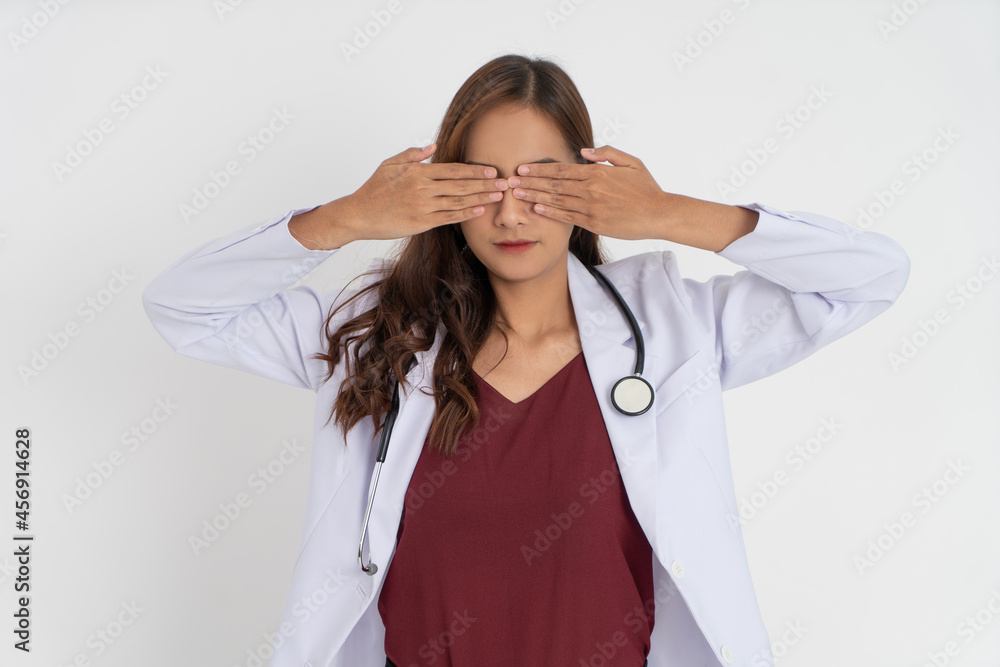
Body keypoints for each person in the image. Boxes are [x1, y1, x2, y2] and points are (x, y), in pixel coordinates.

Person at [142, 54, 910, 667]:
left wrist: (666, 214)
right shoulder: (378, 340)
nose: (511, 212)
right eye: (481, 184)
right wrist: (349, 216)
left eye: (542, 182)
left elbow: (871, 277)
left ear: (587, 186)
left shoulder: (676, 332)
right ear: (440, 192)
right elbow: (181, 305)